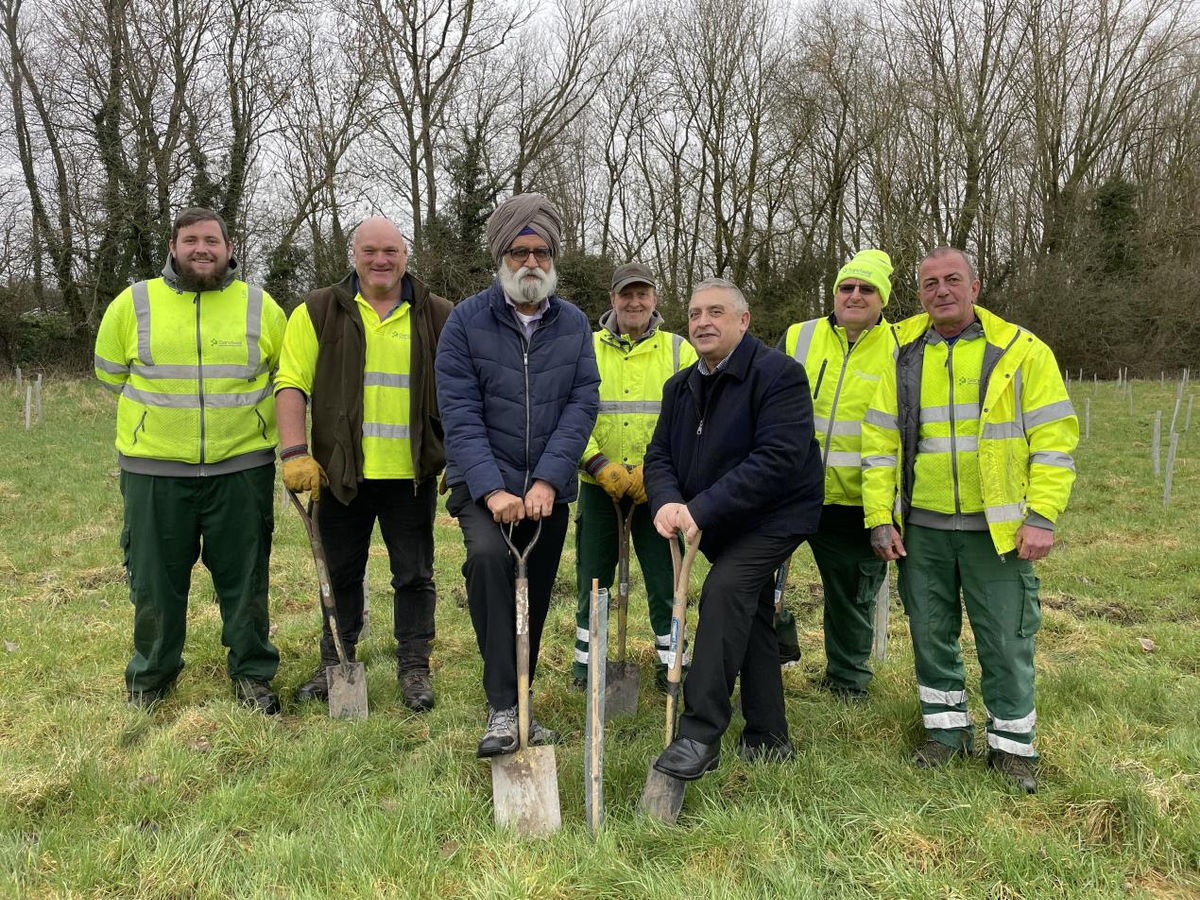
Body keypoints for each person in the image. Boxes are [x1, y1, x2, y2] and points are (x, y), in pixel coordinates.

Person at [861, 246, 1078, 793]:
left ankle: (1011, 748)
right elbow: (879, 441)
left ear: (975, 288)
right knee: (931, 635)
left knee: (1006, 638)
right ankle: (945, 734)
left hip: (997, 532)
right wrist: (878, 515)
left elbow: (1053, 440)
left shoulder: (1021, 352)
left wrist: (1043, 515)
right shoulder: (902, 354)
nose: (941, 291)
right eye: (929, 283)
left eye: (952, 280)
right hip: (923, 530)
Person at [94, 207, 286, 713]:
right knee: (155, 582)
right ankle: (151, 679)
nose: (202, 248)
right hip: (154, 471)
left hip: (241, 468)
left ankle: (252, 675)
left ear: (229, 248)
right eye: (191, 240)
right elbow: (111, 374)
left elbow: (284, 377)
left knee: (246, 580)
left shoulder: (260, 306)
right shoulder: (134, 303)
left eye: (212, 240)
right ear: (173, 248)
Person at [435, 192, 600, 758]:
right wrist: (493, 488)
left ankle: (522, 701)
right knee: (487, 564)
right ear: (500, 258)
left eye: (541, 252)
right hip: (484, 487)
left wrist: (549, 481)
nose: (530, 262)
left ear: (553, 260)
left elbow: (582, 403)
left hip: (546, 491)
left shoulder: (575, 324)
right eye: (518, 251)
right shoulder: (465, 322)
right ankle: (502, 707)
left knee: (536, 591)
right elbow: (458, 412)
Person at [644, 277, 824, 778]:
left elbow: (778, 460)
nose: (703, 322)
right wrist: (666, 501)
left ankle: (699, 734)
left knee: (725, 590)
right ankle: (768, 735)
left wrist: (700, 508)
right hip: (716, 517)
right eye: (696, 313)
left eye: (716, 312)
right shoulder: (679, 387)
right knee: (753, 610)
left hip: (774, 516)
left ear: (743, 321)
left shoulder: (778, 375)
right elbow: (659, 455)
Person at [274, 217, 452, 712]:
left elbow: (462, 393)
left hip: (410, 477)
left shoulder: (437, 315)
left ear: (405, 256)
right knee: (340, 572)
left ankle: (414, 665)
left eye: (391, 251)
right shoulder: (317, 311)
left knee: (414, 576)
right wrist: (293, 453)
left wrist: (456, 459)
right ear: (353, 255)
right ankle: (336, 659)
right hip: (338, 476)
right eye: (370, 250)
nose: (381, 260)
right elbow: (291, 383)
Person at [778, 249, 911, 698]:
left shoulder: (903, 349)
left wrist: (886, 510)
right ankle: (773, 649)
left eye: (866, 289)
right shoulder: (799, 337)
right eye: (846, 287)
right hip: (793, 492)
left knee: (851, 597)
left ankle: (847, 683)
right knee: (755, 576)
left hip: (859, 500)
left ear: (883, 299)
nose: (854, 296)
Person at [572, 262, 697, 692]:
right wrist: (595, 463)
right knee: (594, 580)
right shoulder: (584, 347)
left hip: (657, 489)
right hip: (597, 485)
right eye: (626, 294)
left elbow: (693, 417)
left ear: (655, 299)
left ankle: (672, 666)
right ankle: (588, 668)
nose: (635, 301)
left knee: (667, 579)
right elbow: (569, 414)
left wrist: (658, 469)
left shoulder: (680, 350)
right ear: (612, 300)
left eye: (643, 293)